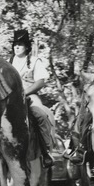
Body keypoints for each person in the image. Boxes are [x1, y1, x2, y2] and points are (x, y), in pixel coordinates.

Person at [10, 29, 57, 168]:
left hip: (29, 95)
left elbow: (41, 81)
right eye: (15, 44)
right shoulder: (8, 62)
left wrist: (25, 92)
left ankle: (46, 151)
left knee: (41, 115)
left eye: (20, 44)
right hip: (10, 98)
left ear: (27, 47)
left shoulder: (35, 61)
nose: (17, 47)